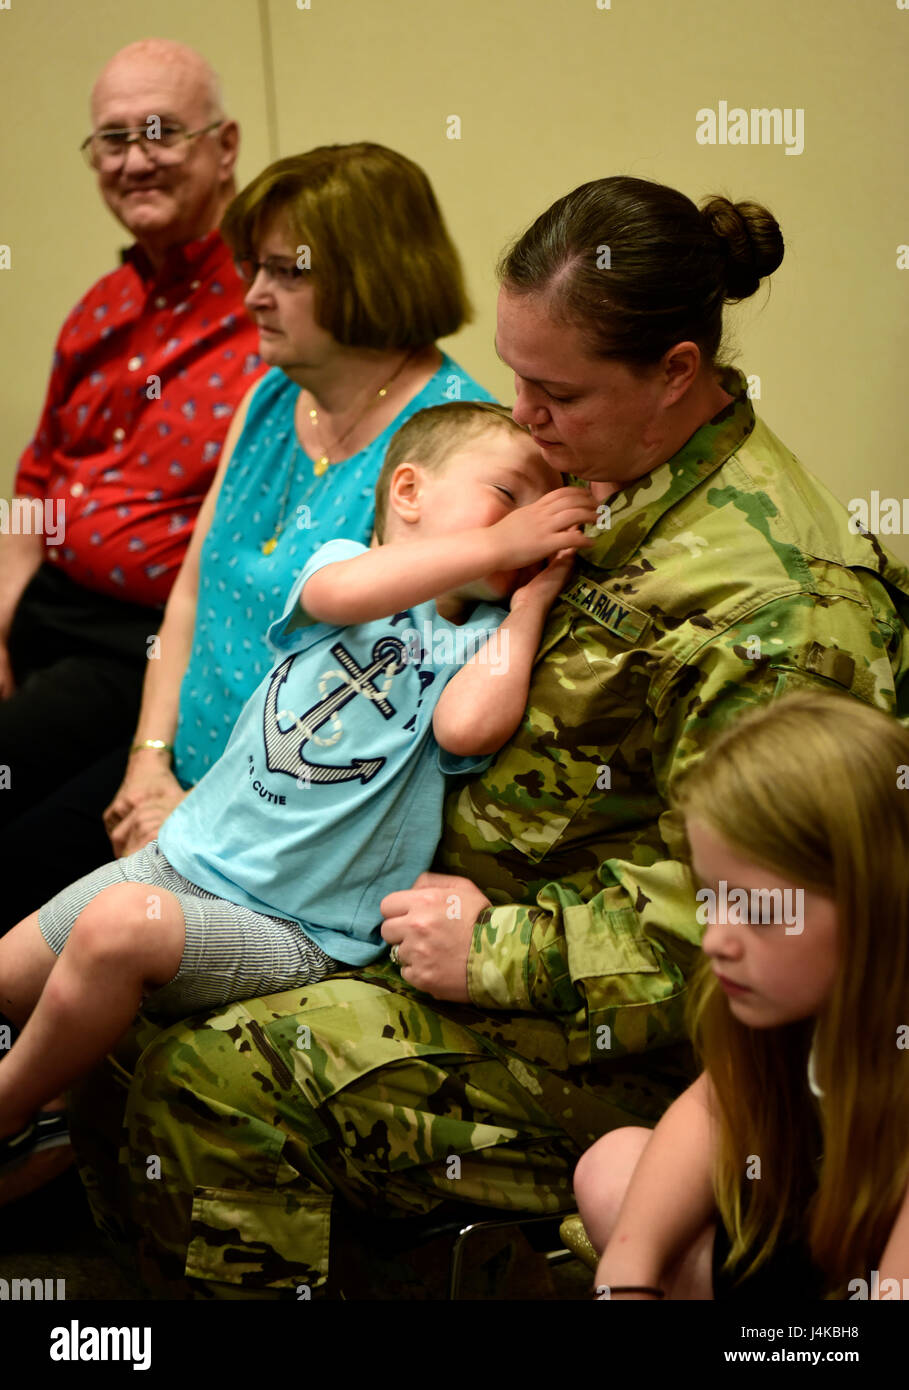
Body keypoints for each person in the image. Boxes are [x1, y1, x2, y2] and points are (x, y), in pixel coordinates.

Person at [66, 175, 909, 1299]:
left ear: (676, 374)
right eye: (516, 374)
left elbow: (764, 918)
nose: (521, 416)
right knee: (113, 1006)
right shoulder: (600, 474)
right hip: (397, 917)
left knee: (220, 1076)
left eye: (556, 391)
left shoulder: (777, 608)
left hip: (597, 1034)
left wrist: (498, 947)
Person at [0, 402, 596, 1159]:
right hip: (183, 860)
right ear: (407, 493)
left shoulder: (481, 639)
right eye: (510, 493)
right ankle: (56, 1117)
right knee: (10, 976)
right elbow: (340, 596)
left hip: (300, 928)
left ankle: (10, 1109)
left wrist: (533, 601)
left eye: (545, 512)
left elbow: (465, 729)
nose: (529, 525)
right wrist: (498, 541)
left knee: (117, 926)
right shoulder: (341, 567)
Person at [0, 142, 494, 935]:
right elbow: (190, 595)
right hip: (174, 777)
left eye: (284, 272)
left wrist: (200, 819)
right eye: (250, 267)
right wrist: (146, 761)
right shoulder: (272, 395)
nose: (253, 296)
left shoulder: (452, 451)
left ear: (373, 271)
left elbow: (398, 711)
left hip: (275, 838)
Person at [0, 38, 264, 834]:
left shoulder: (270, 308)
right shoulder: (102, 303)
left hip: (141, 649)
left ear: (225, 147)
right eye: (113, 139)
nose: (135, 160)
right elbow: (36, 486)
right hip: (45, 612)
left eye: (160, 131)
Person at [575, 690, 909, 1301]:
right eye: (712, 896)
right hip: (822, 1245)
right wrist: (627, 1281)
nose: (716, 941)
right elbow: (717, 1107)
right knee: (612, 1166)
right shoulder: (787, 1001)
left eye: (756, 908)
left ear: (875, 905)